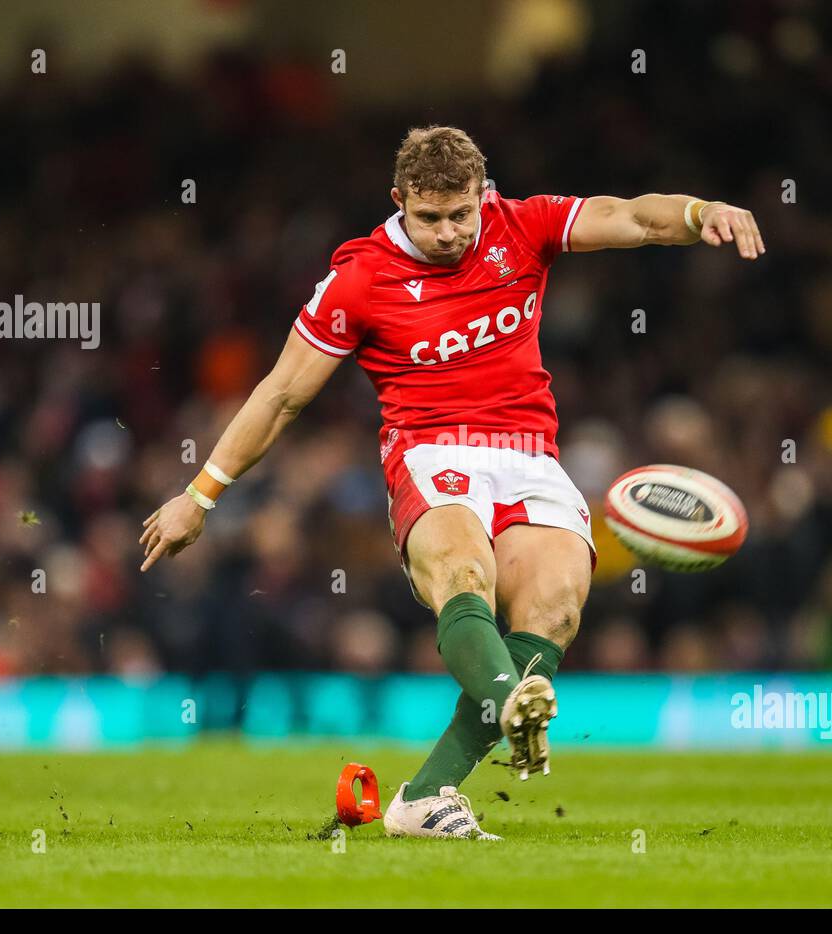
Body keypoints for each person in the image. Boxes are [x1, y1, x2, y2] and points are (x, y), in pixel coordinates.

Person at [139, 125, 764, 839]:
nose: (446, 232)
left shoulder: (522, 225)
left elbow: (630, 215)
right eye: (428, 217)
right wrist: (200, 495)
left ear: (482, 194)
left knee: (556, 605)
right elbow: (282, 394)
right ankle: (511, 703)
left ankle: (424, 795)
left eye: (460, 215)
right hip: (431, 453)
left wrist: (698, 212)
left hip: (531, 453)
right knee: (466, 570)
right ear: (398, 199)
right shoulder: (362, 278)